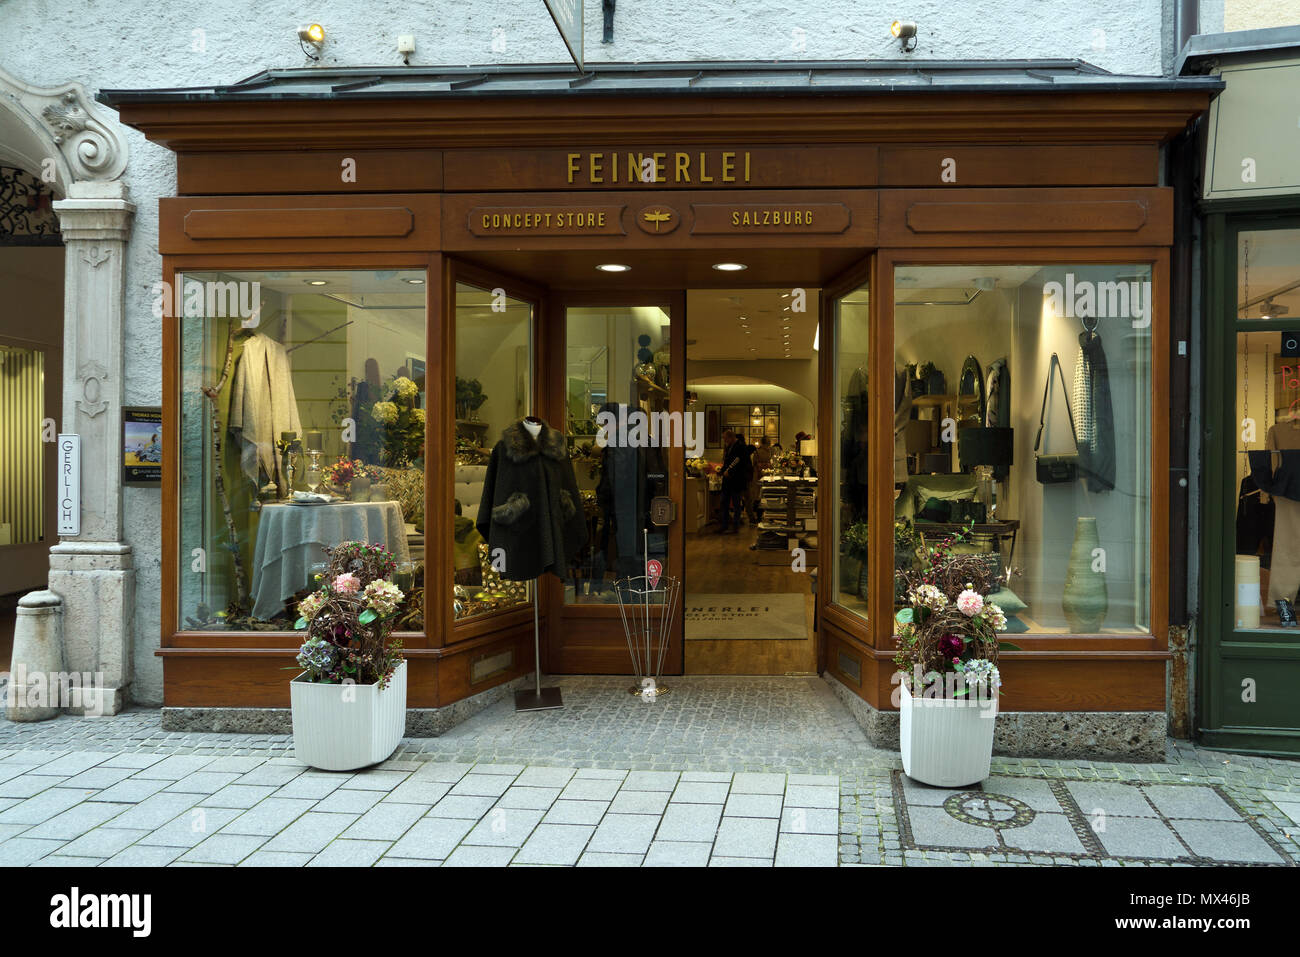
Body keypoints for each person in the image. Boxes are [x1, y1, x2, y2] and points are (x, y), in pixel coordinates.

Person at [719, 429, 754, 534]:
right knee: (724, 503)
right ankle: (724, 525)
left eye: (725, 438)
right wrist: (722, 471)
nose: (724, 441)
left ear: (730, 437)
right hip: (728, 480)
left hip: (736, 480)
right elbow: (728, 461)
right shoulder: (730, 446)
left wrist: (729, 471)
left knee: (736, 504)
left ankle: (735, 526)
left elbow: (738, 462)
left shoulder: (740, 447)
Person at [750, 435, 772, 522]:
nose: (768, 445)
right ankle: (760, 515)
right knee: (760, 495)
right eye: (768, 443)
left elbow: (754, 463)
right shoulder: (762, 452)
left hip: (761, 474)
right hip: (762, 475)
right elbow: (755, 464)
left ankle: (759, 516)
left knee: (759, 495)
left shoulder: (758, 452)